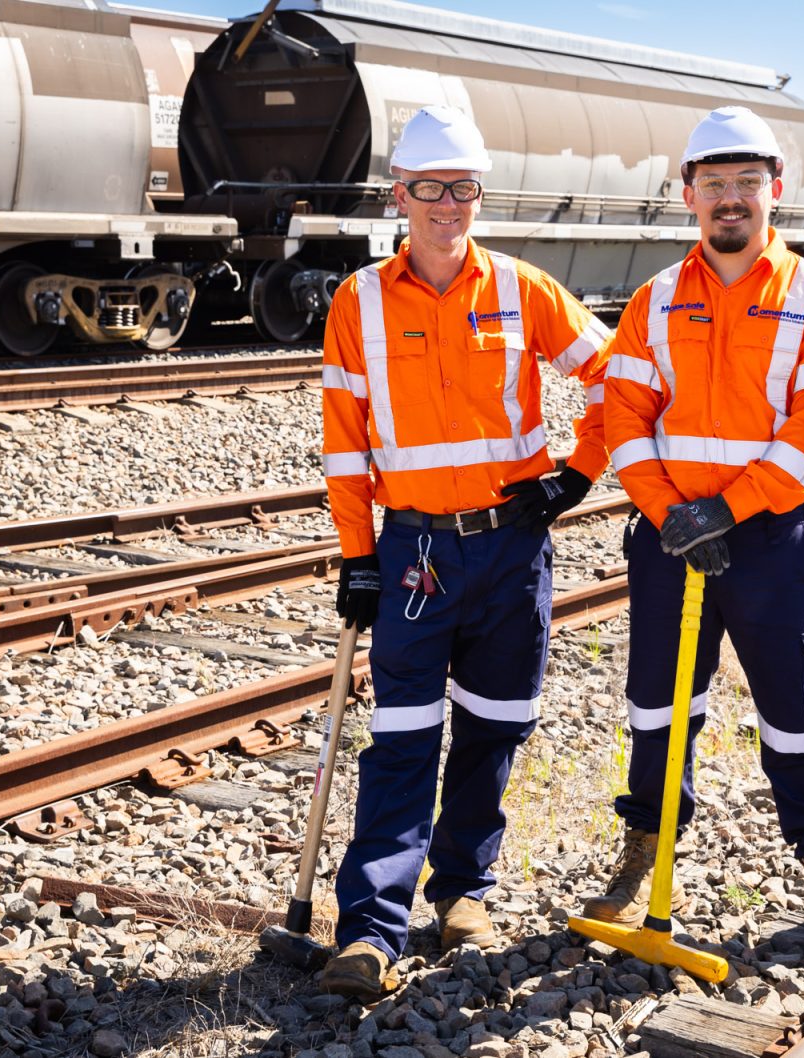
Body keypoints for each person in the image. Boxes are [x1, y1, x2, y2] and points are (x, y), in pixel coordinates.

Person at [318, 105, 612, 997]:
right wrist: (357, 552)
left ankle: (462, 894)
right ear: (400, 195)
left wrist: (577, 475)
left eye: (464, 188)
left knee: (493, 727)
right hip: (413, 553)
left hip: (510, 550)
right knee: (402, 736)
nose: (448, 205)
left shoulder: (525, 289)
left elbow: (623, 377)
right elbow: (344, 440)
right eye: (430, 188)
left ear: (480, 194)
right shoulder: (358, 301)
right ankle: (371, 931)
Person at [587, 106, 804, 968]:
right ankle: (645, 852)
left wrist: (729, 510)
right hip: (669, 534)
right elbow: (624, 414)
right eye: (714, 184)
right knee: (659, 707)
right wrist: (670, 511)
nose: (730, 200)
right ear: (687, 196)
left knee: (798, 715)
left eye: (746, 184)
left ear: (775, 192)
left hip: (771, 542)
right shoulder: (655, 299)